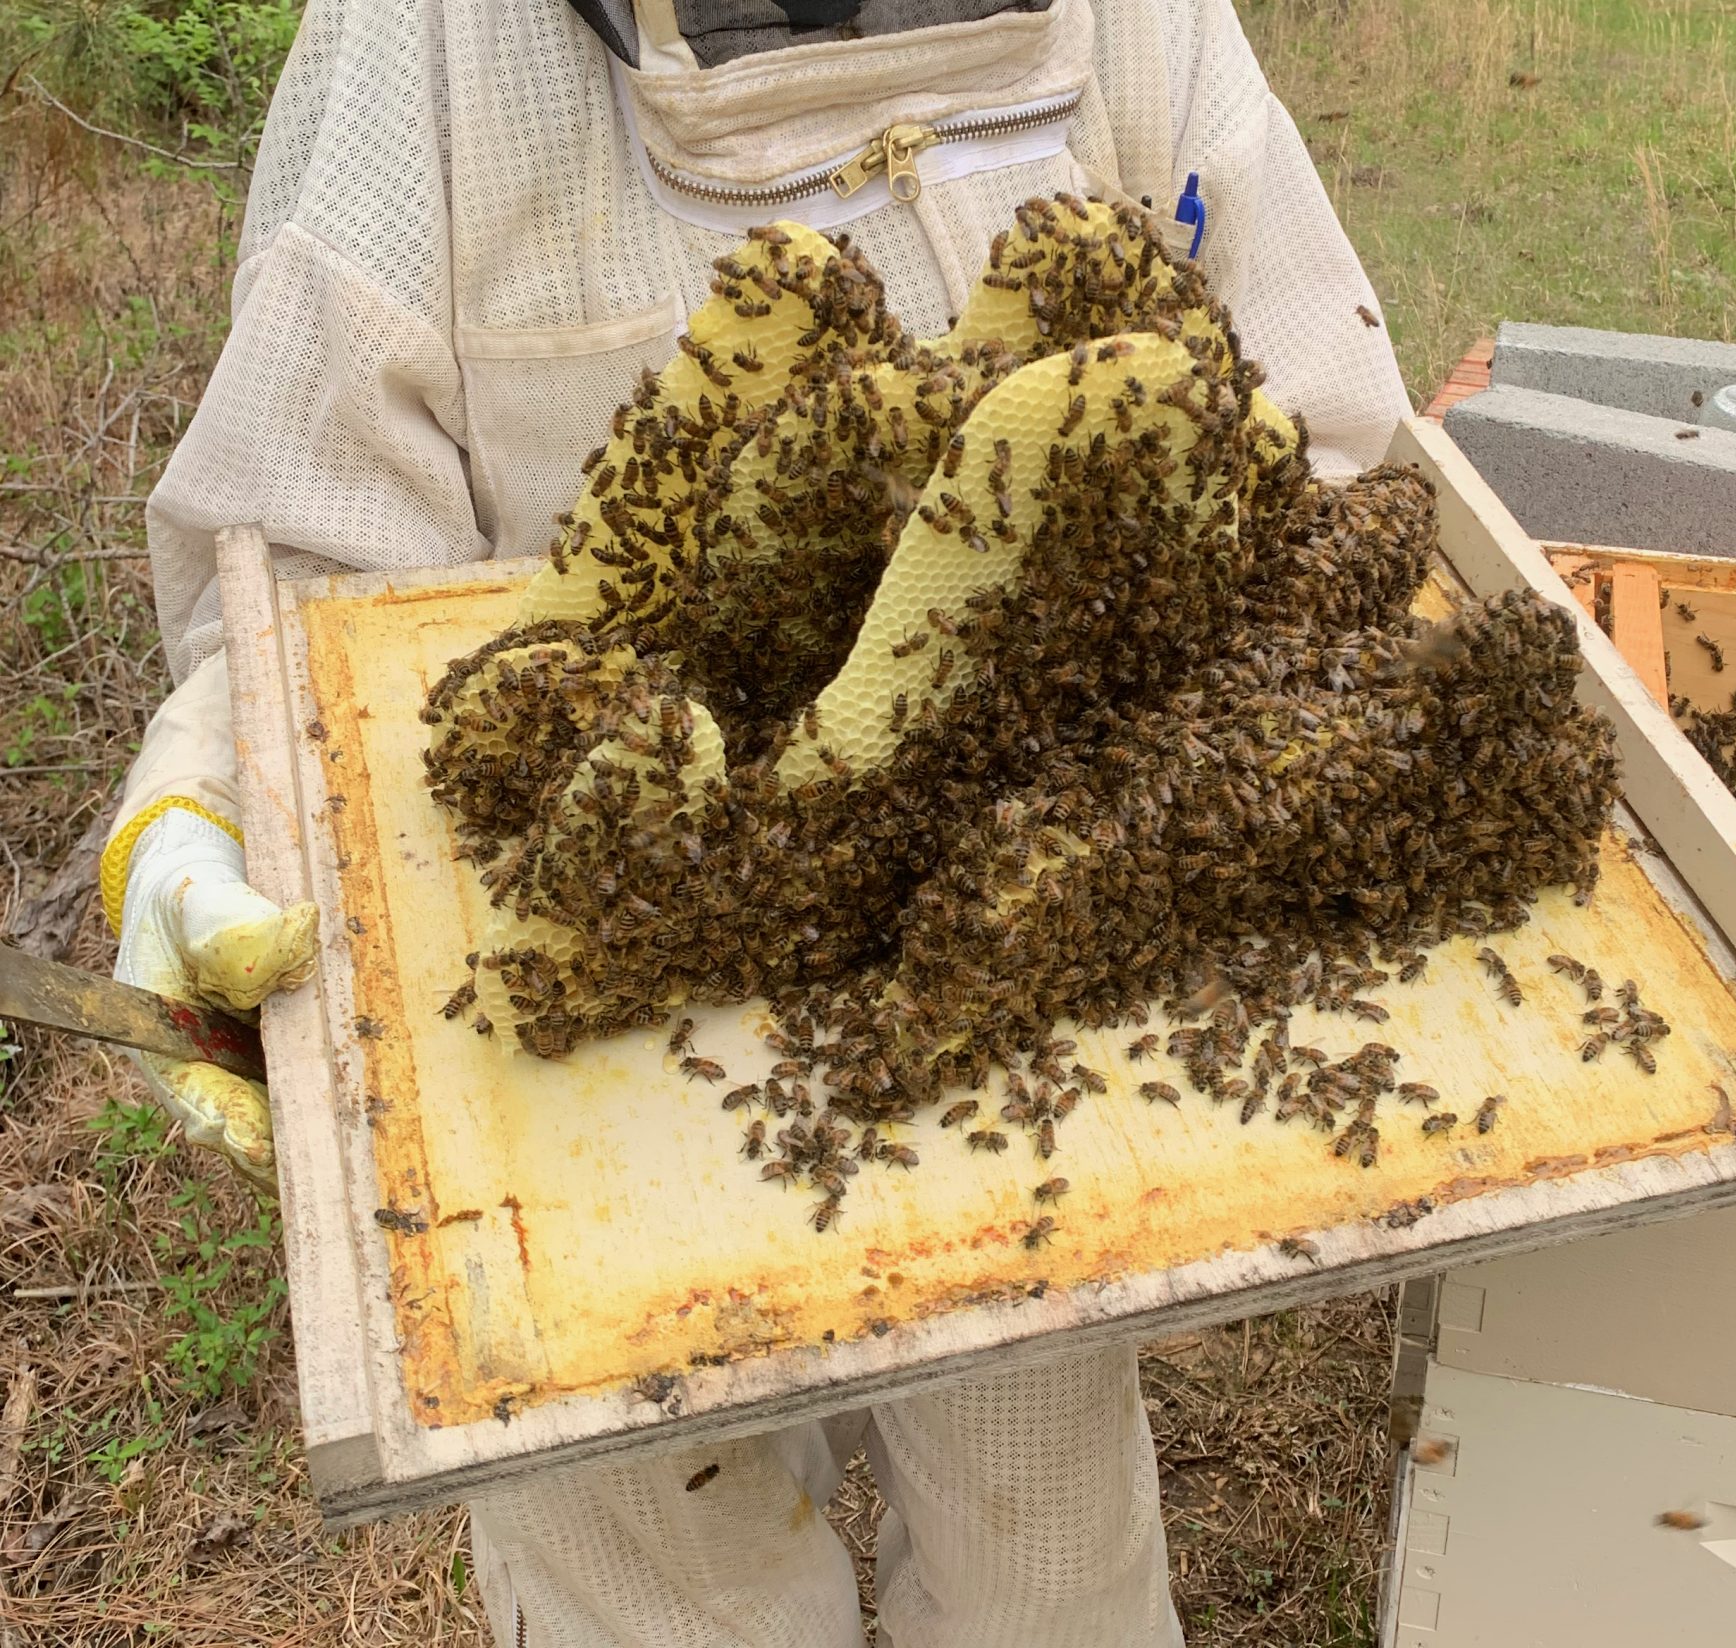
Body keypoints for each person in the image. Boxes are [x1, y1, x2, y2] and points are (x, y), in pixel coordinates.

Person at [98, 0, 1409, 1640]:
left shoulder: (1141, 25)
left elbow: (1338, 440)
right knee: (658, 1578)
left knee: (1046, 1554)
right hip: (590, 1024)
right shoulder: (416, 51)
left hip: (1010, 981)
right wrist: (200, 808)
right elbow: (299, 589)